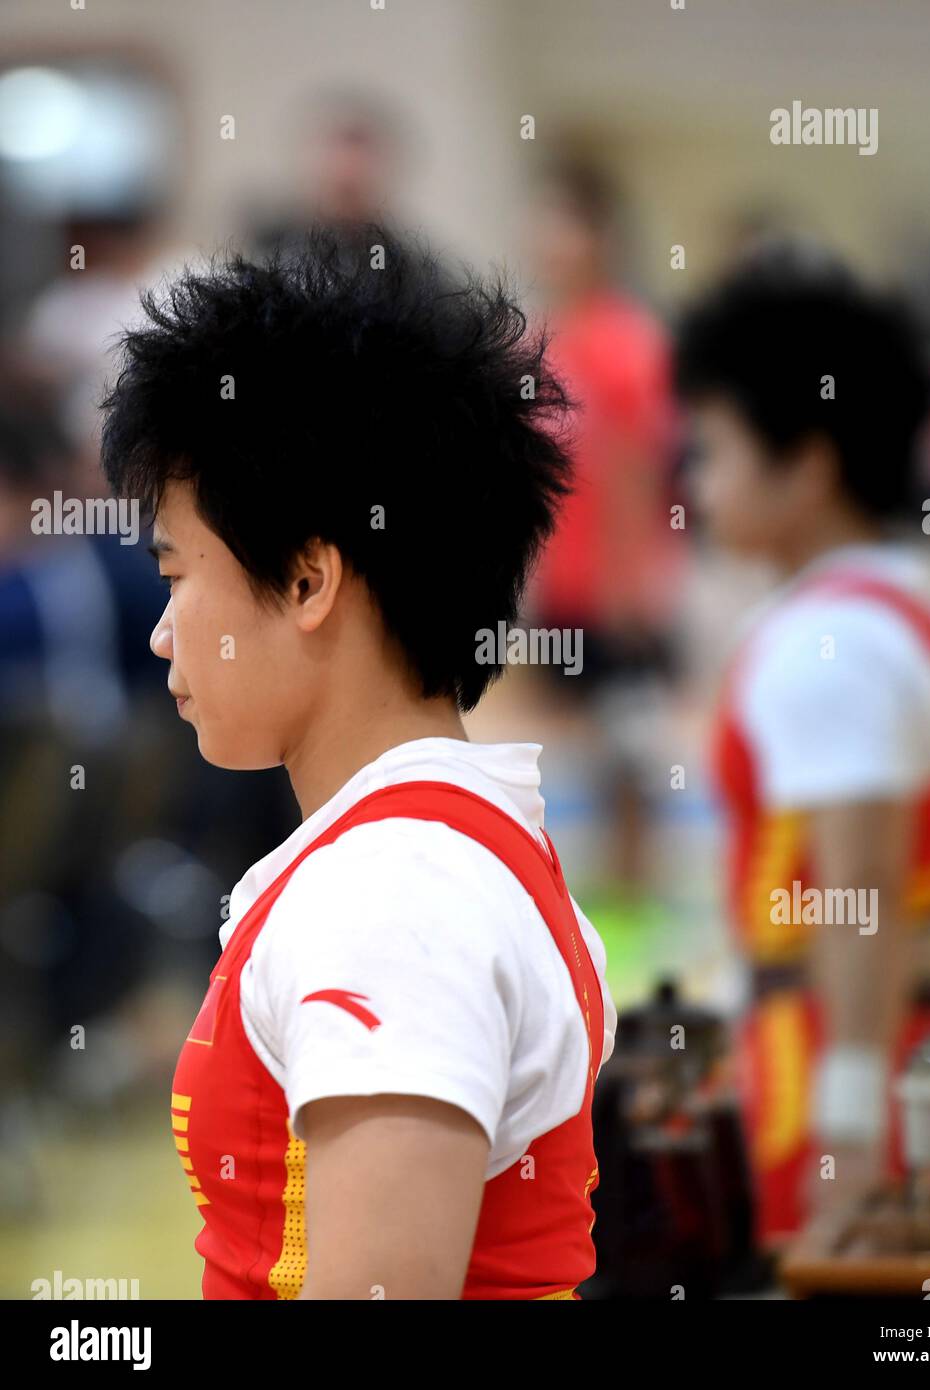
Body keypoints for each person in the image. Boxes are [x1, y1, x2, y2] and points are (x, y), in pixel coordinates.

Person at [99, 227, 617, 1300]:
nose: (161, 634)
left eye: (177, 573)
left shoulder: (392, 899)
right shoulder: (431, 855)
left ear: (305, 581)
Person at [675, 248, 930, 1245]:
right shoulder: (883, 608)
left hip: (838, 1078)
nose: (696, 484)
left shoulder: (828, 645)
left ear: (805, 465)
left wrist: (843, 1146)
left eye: (712, 451)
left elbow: (863, 901)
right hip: (883, 1056)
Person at [525, 160, 684, 903]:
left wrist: (632, 585)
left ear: (601, 240)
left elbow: (635, 471)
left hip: (617, 589)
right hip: (561, 583)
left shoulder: (629, 341)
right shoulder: (542, 339)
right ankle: (587, 901)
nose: (551, 242)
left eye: (568, 226)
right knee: (570, 753)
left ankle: (637, 890)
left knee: (629, 754)